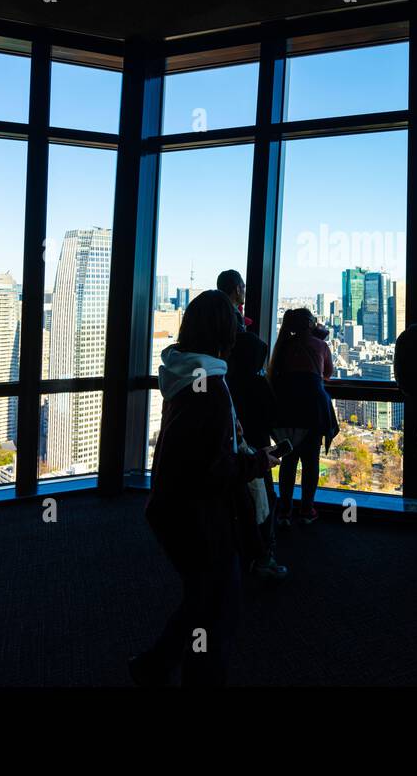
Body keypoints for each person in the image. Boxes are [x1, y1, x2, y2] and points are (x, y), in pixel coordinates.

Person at [133, 289, 282, 686]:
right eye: (235, 321)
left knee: (201, 599)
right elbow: (214, 468)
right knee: (219, 613)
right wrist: (257, 462)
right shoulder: (211, 389)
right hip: (200, 518)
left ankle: (155, 666)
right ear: (224, 332)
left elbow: (197, 454)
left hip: (174, 509)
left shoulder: (186, 376)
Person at [216, 269, 287, 581]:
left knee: (241, 497)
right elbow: (270, 411)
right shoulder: (252, 382)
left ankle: (241, 554)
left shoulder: (218, 381)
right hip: (250, 439)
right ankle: (262, 555)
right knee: (260, 494)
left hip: (239, 437)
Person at [268, 307, 336, 527]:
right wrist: (318, 336)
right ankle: (306, 510)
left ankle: (284, 512)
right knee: (310, 461)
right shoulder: (321, 345)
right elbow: (328, 373)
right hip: (313, 409)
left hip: (287, 408)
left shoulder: (283, 346)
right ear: (310, 324)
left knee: (288, 460)